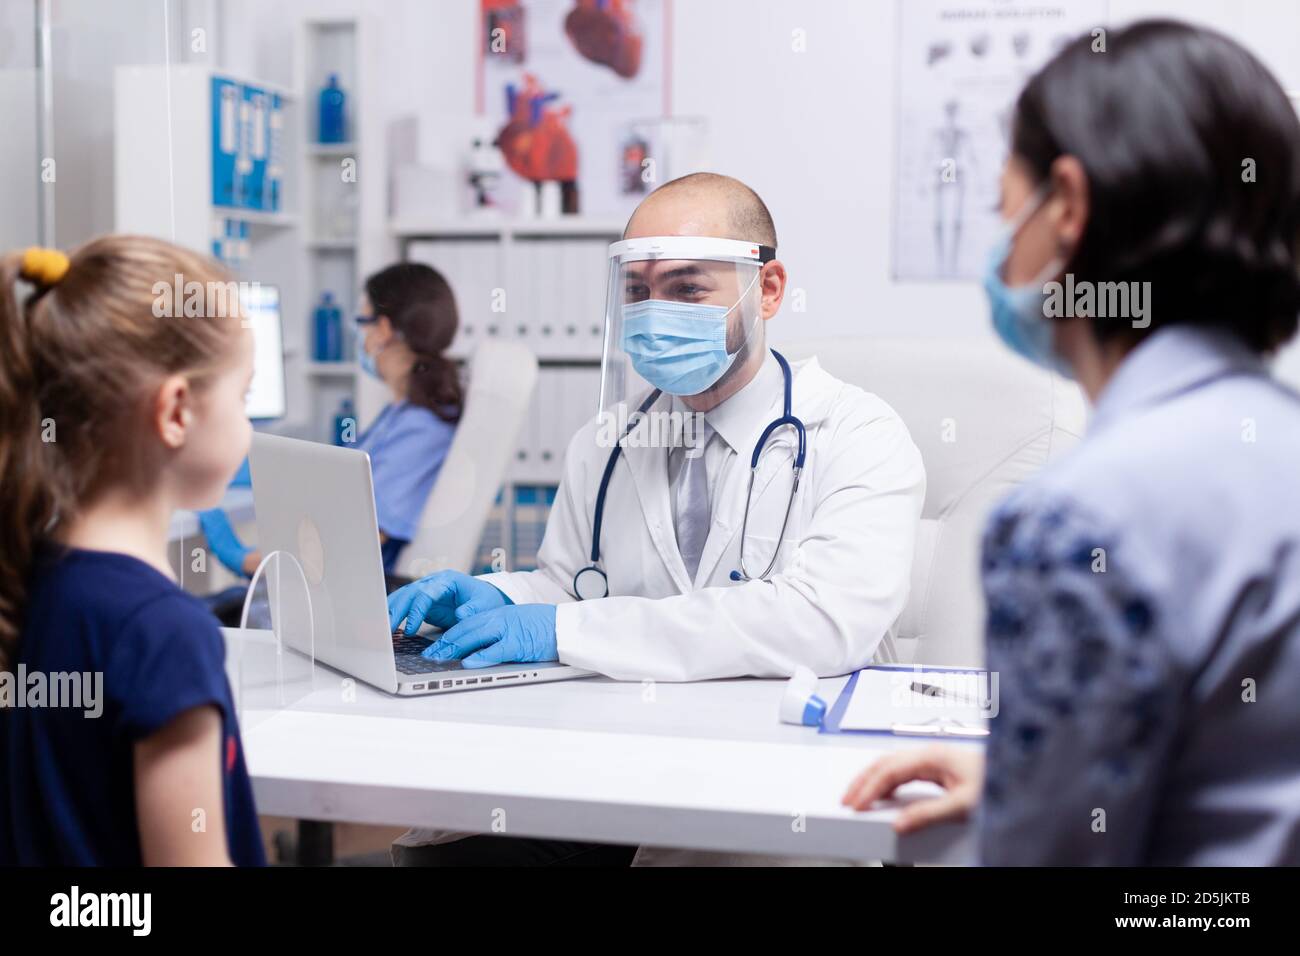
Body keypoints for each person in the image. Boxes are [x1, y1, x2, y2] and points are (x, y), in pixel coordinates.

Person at [843, 20, 1300, 865]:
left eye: (1004, 210)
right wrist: (1033, 772)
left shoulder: (1080, 517)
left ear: (1070, 206)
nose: (1000, 244)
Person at [386, 172, 925, 865]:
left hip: (785, 788)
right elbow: (574, 588)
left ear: (768, 289)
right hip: (620, 766)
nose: (653, 312)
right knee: (456, 853)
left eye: (687, 288)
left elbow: (821, 624)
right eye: (637, 291)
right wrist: (504, 594)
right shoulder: (606, 441)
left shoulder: (858, 434)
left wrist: (559, 625)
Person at [0, 237, 264, 865]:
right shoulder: (166, 635)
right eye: (244, 397)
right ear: (176, 410)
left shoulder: (29, 578)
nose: (250, 423)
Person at [200, 261, 461, 580]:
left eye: (361, 323)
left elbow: (352, 542)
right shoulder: (405, 415)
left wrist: (242, 558)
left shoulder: (421, 430)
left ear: (383, 330)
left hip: (345, 597)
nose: (359, 337)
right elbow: (348, 482)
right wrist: (259, 469)